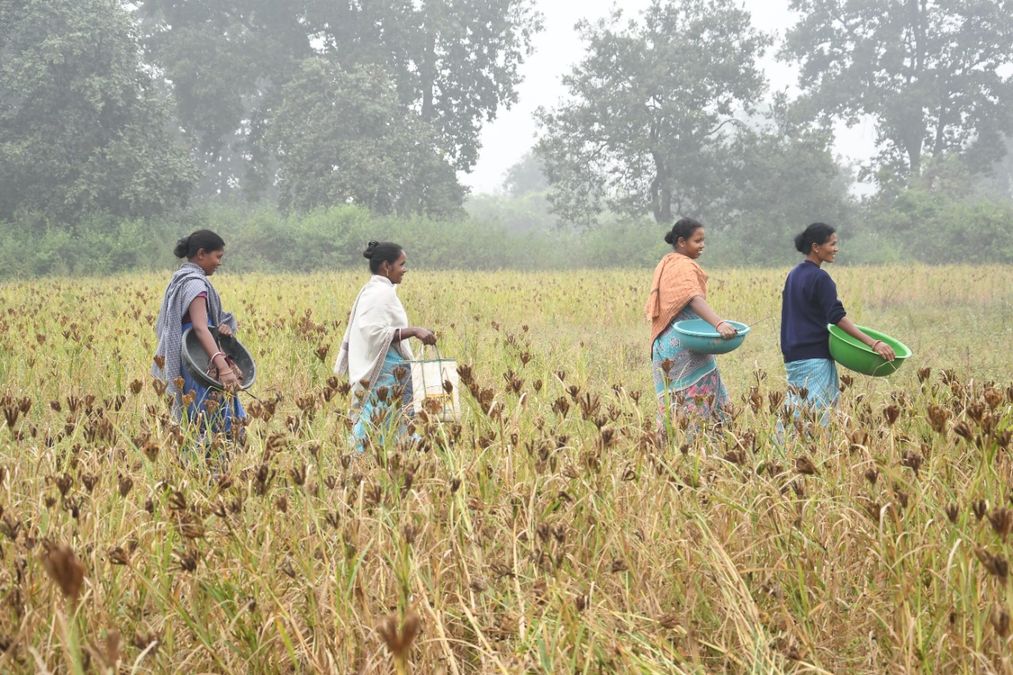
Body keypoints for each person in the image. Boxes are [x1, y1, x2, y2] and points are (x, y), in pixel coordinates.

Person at [780, 222, 895, 423]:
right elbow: (836, 318)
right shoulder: (820, 278)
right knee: (817, 415)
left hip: (792, 355)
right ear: (816, 247)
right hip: (814, 356)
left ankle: (785, 450)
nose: (836, 249)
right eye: (832, 244)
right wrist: (874, 343)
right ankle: (809, 453)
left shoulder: (794, 274)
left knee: (795, 410)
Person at [334, 241, 437, 452]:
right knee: (377, 414)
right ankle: (357, 458)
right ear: (386, 266)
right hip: (384, 371)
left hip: (390, 368)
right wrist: (415, 330)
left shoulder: (377, 290)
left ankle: (401, 455)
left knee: (394, 416)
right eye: (401, 264)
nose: (404, 269)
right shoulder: (380, 293)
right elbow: (375, 333)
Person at [152, 230, 246, 441]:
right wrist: (223, 368)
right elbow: (201, 328)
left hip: (192, 357)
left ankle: (201, 466)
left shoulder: (180, 280)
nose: (219, 262)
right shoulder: (195, 284)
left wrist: (222, 327)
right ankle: (217, 468)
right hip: (200, 361)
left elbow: (208, 325)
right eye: (217, 257)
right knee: (214, 419)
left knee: (196, 418)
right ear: (201, 254)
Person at [646, 218, 737, 434]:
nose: (702, 245)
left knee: (672, 407)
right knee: (697, 410)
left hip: (665, 347)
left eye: (703, 240)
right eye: (697, 240)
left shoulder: (667, 263)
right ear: (681, 242)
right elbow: (693, 298)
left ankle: (669, 454)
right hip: (684, 347)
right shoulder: (682, 265)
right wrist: (719, 323)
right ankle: (697, 453)